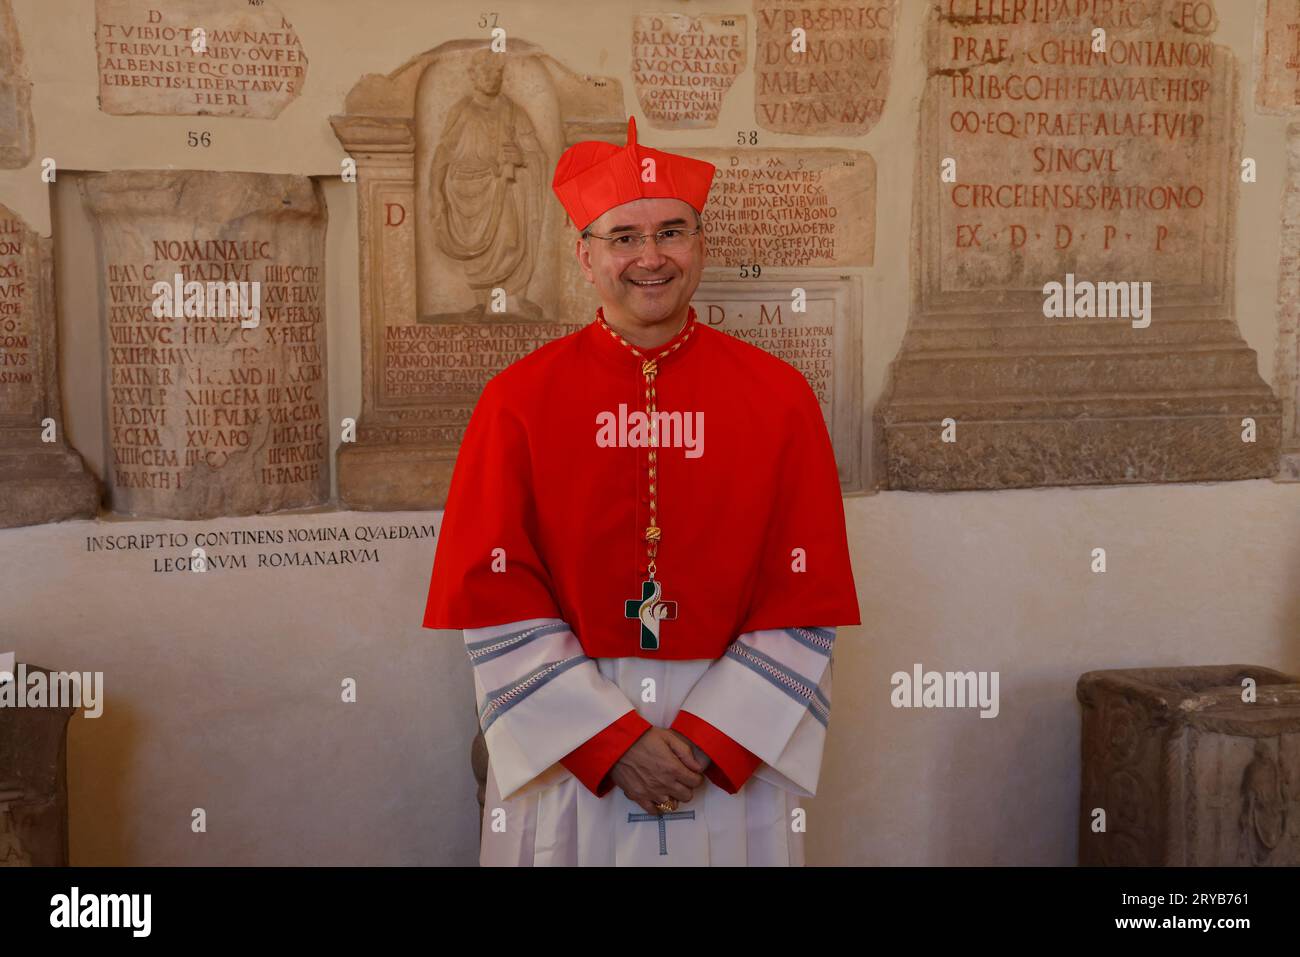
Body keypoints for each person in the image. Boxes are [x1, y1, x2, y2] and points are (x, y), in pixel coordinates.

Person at [422, 115, 859, 865]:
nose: (650, 257)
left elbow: (804, 591)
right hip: (571, 748)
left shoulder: (779, 398)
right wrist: (612, 742)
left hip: (726, 756)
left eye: (672, 232)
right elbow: (494, 592)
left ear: (701, 246)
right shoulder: (517, 401)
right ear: (584, 255)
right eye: (623, 236)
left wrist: (707, 738)